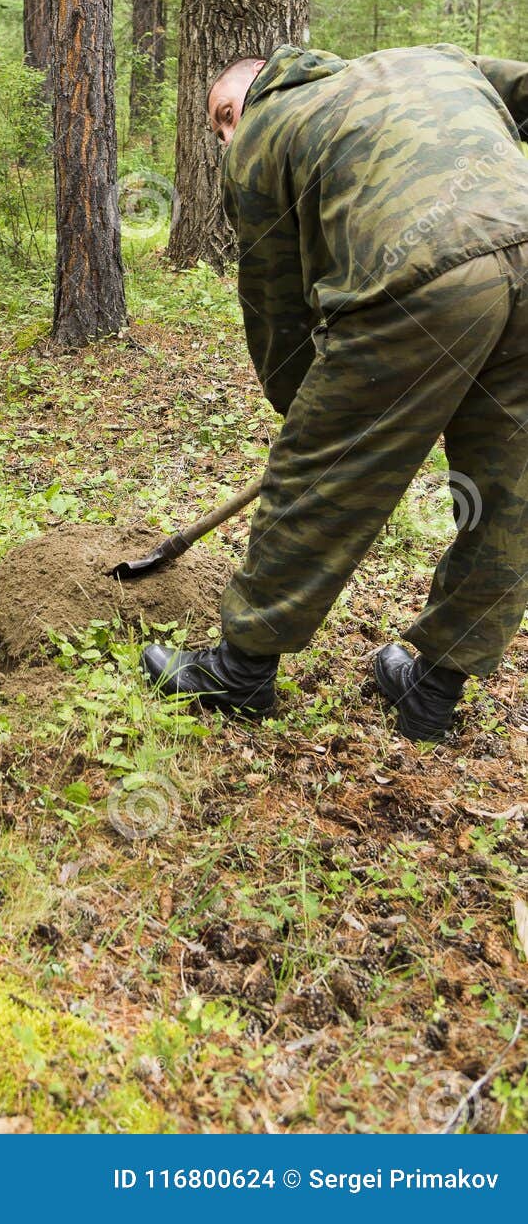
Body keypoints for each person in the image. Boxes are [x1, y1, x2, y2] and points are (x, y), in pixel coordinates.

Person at [143, 41, 528, 742]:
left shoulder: (263, 132)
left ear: (245, 99)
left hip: (420, 281)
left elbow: (273, 301)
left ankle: (238, 673)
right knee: (510, 486)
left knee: (320, 478)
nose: (225, 139)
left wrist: (313, 422)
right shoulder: (433, 59)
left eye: (220, 120)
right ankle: (433, 691)